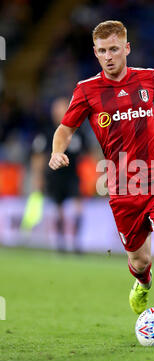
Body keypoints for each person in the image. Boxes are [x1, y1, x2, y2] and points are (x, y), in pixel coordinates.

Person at [48, 20, 154, 333]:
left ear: (126, 48)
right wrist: (58, 151)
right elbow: (65, 129)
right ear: (95, 54)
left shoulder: (148, 78)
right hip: (123, 186)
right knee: (139, 260)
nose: (108, 56)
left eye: (113, 49)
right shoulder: (87, 90)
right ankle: (143, 282)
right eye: (101, 51)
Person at [31, 97, 86, 253]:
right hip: (54, 177)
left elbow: (87, 153)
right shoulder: (47, 132)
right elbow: (38, 155)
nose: (60, 112)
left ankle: (76, 243)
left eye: (63, 108)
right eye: (57, 109)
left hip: (72, 176)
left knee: (77, 208)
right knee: (58, 210)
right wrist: (38, 176)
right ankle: (61, 244)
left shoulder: (78, 130)